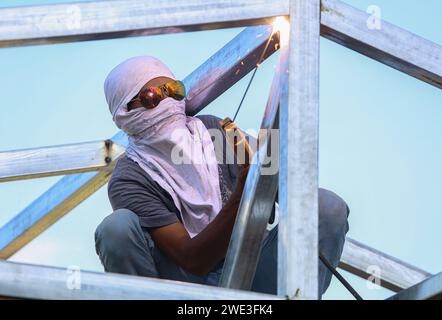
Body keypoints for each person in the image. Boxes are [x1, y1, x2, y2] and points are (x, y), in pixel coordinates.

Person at [95, 56, 349, 298]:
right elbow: (194, 260)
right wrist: (242, 196)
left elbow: (283, 186)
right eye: (152, 96)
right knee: (115, 229)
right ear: (124, 112)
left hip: (254, 273)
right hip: (188, 288)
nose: (168, 101)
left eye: (174, 90)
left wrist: (271, 160)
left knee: (326, 207)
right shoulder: (129, 178)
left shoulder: (215, 129)